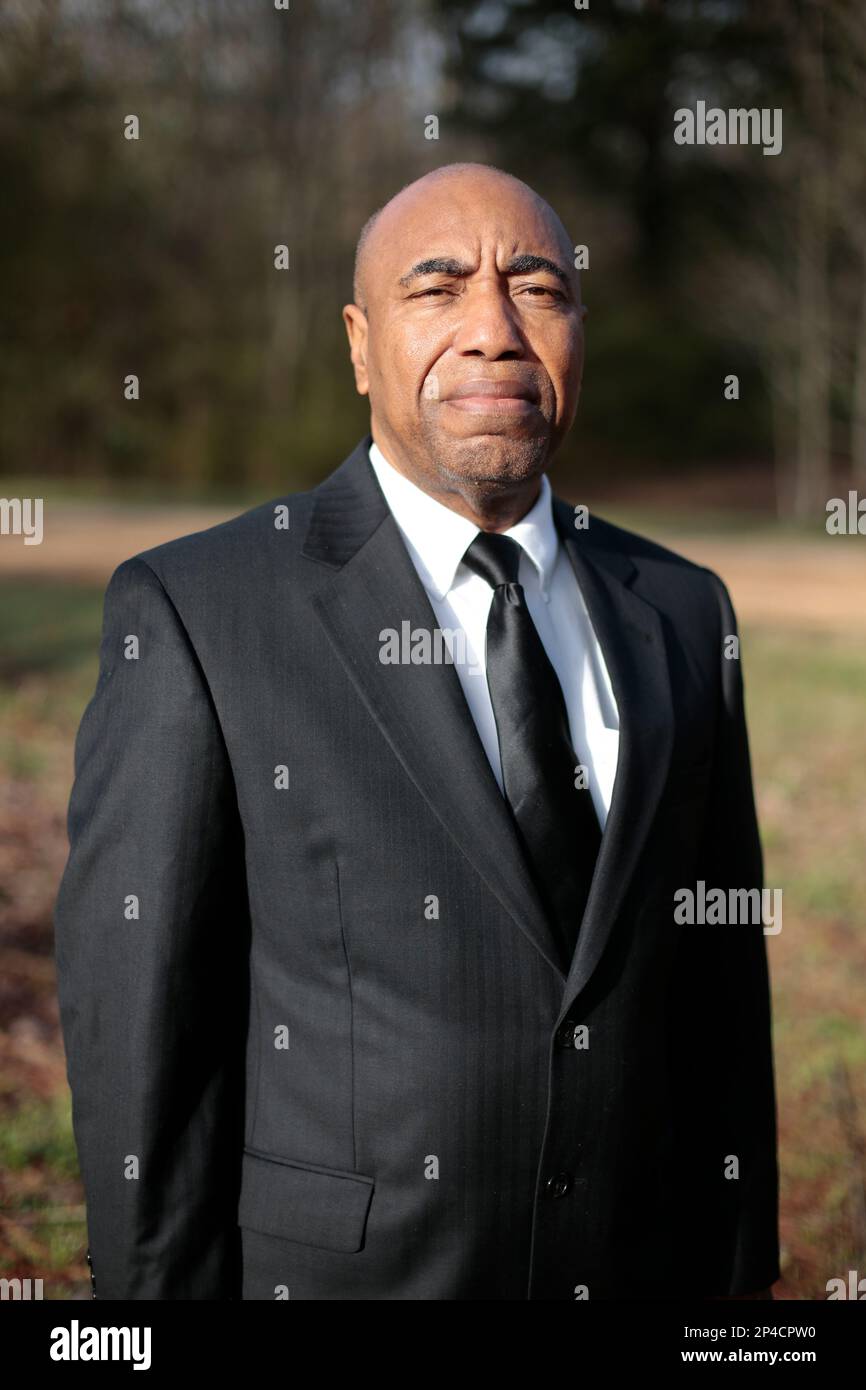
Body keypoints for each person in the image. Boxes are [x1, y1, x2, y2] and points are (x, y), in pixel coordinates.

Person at [54, 162, 779, 1300]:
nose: (492, 330)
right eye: (436, 289)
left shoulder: (684, 611)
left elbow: (720, 1001)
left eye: (535, 288)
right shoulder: (199, 613)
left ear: (577, 329)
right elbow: (145, 1037)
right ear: (357, 343)